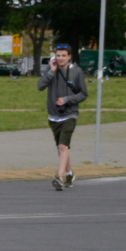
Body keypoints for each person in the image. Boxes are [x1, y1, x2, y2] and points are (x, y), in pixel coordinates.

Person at [37, 44, 87, 191]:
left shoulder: (76, 72)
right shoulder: (51, 69)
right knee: (61, 149)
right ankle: (70, 173)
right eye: (58, 55)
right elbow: (40, 86)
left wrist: (67, 99)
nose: (60, 58)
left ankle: (59, 177)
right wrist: (51, 71)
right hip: (54, 115)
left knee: (63, 146)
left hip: (70, 114)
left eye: (63, 55)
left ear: (69, 57)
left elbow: (83, 94)